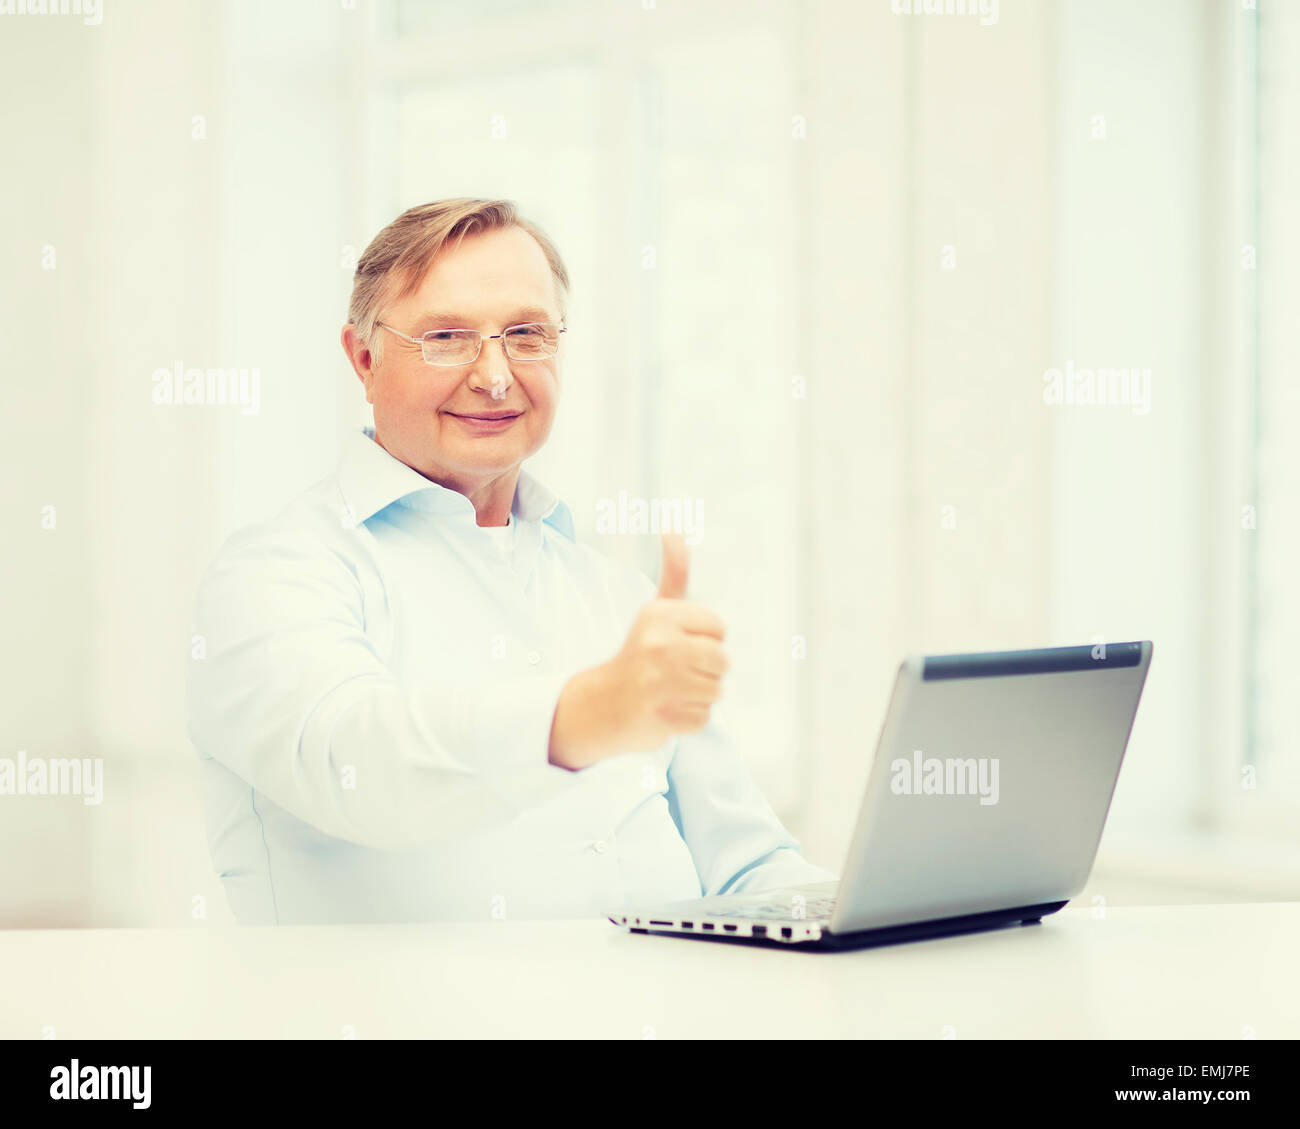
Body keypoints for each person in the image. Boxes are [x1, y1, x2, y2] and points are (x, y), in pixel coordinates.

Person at [185, 197, 835, 924]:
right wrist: (584, 714)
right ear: (363, 358)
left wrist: (899, 904)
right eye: (447, 337)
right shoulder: (275, 572)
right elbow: (355, 763)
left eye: (526, 334)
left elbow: (746, 865)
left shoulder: (614, 594)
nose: (495, 375)